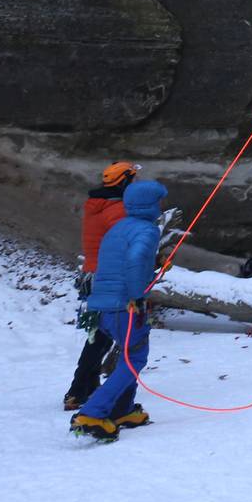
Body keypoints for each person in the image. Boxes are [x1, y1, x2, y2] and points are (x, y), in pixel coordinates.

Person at [70, 179, 168, 442]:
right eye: (158, 201)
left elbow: (119, 260)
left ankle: (122, 410)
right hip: (125, 307)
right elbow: (135, 259)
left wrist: (154, 263)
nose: (161, 206)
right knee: (134, 359)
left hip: (101, 305)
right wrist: (137, 295)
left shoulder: (118, 228)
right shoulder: (147, 230)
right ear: (149, 204)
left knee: (128, 355)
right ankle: (92, 413)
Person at [62, 161, 139, 410]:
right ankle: (78, 390)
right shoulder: (116, 210)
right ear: (125, 181)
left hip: (93, 277)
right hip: (109, 279)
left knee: (99, 333)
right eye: (133, 179)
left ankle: (87, 386)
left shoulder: (97, 206)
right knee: (103, 336)